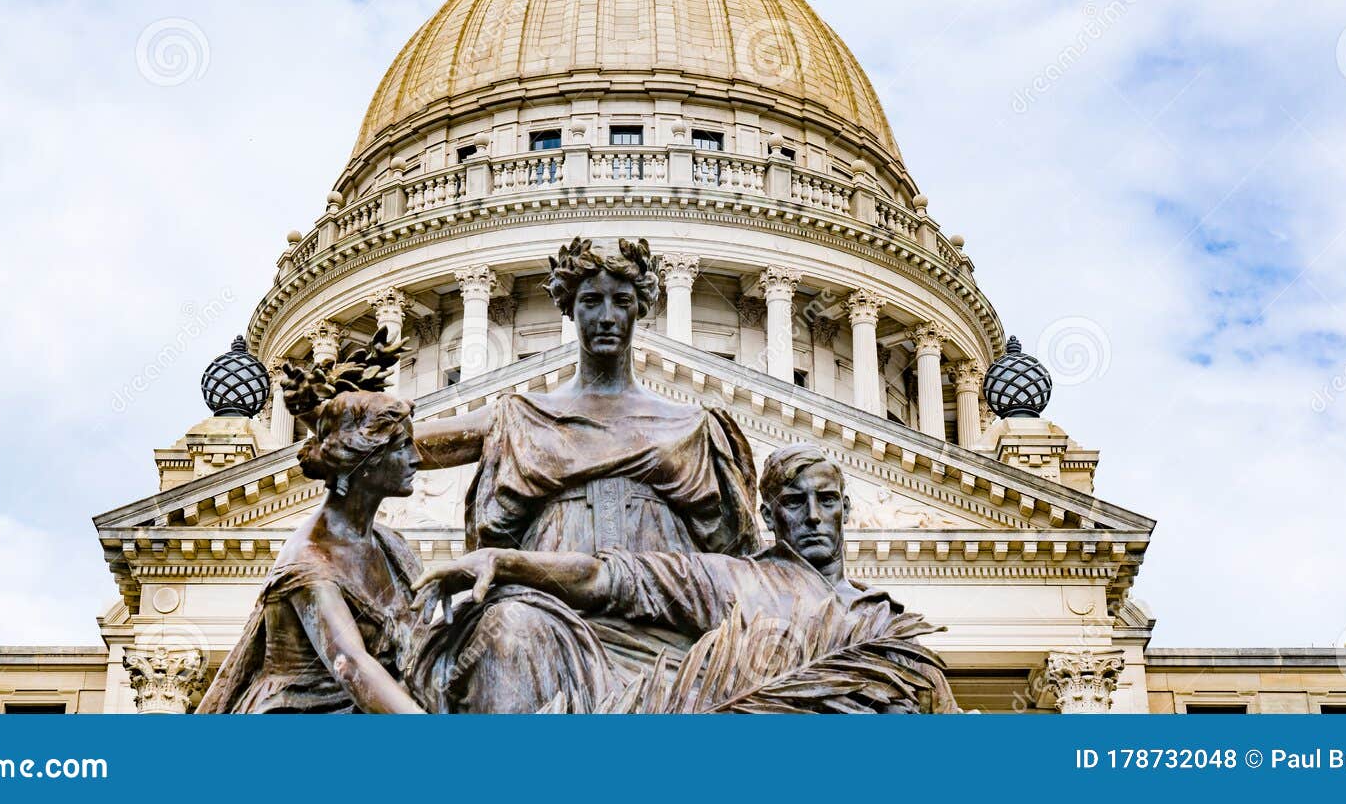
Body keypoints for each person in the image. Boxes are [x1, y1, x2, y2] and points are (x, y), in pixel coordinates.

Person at [407, 238, 760, 712]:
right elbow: (404, 446)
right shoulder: (523, 417)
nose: (608, 317)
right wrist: (347, 424)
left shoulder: (693, 428)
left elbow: (741, 567)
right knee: (508, 634)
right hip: (540, 613)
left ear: (642, 310)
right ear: (568, 309)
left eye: (622, 302)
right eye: (591, 301)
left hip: (663, 623)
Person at [412, 443, 960, 713]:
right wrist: (504, 561)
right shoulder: (735, 580)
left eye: (826, 502)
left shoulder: (887, 622)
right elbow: (612, 577)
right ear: (769, 518)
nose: (813, 517)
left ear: (847, 510)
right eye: (795, 503)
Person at [198, 338, 426, 714]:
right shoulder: (309, 562)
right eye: (403, 447)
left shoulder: (390, 544)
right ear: (364, 460)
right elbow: (352, 665)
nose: (418, 458)